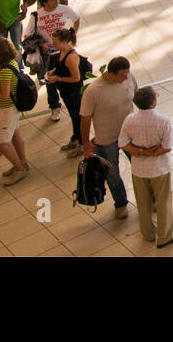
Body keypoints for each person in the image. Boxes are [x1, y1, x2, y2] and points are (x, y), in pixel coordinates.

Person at [118, 86, 173, 248]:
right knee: (163, 202)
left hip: (138, 170)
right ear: (153, 102)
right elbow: (167, 147)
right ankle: (164, 236)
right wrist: (152, 153)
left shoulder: (129, 119)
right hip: (159, 169)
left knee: (143, 203)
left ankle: (148, 234)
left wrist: (140, 152)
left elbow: (122, 143)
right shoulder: (163, 120)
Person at [80, 56, 136, 220]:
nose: (126, 78)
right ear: (111, 73)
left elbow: (138, 97)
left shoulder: (129, 77)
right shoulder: (93, 91)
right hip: (107, 139)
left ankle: (151, 199)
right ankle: (121, 203)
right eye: (122, 75)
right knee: (112, 173)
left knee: (141, 166)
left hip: (130, 134)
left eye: (127, 74)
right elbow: (85, 120)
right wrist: (86, 145)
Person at [0, 37, 29, 184]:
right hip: (12, 109)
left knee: (0, 143)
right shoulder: (13, 63)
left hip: (7, 110)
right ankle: (22, 163)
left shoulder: (5, 71)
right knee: (15, 135)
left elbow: (4, 94)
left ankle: (20, 169)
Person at [44, 27, 85, 157]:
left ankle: (82, 144)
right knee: (73, 117)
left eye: (55, 42)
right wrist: (54, 71)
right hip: (66, 91)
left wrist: (58, 78)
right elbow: (61, 66)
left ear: (64, 41)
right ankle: (75, 139)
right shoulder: (62, 51)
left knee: (78, 117)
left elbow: (76, 78)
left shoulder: (71, 56)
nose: (53, 44)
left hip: (74, 92)